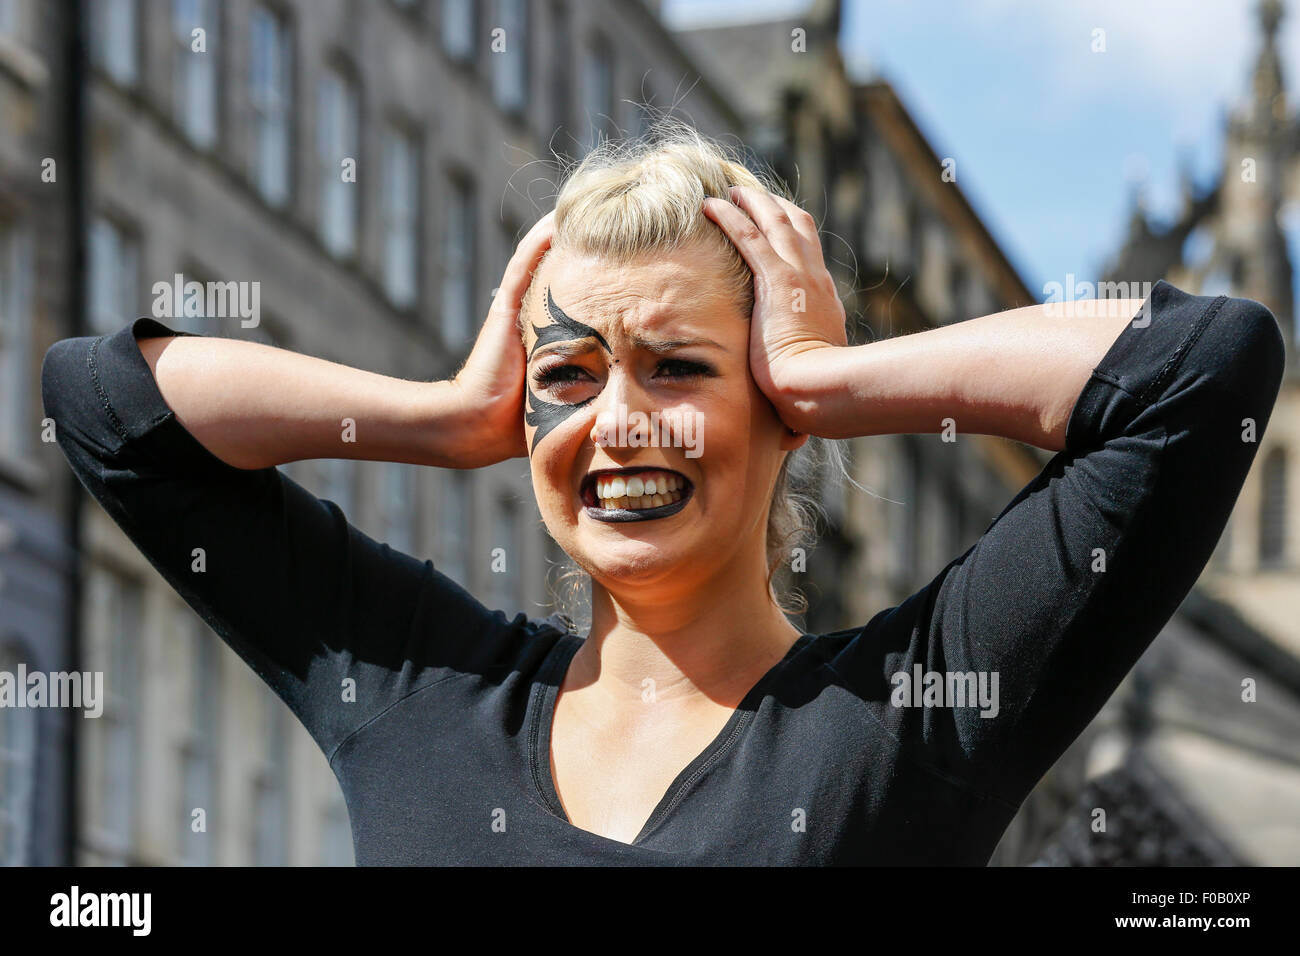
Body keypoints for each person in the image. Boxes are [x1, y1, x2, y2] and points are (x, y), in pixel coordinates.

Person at [41, 123, 1285, 864]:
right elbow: (105, 400)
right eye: (571, 372)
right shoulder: (419, 685)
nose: (620, 419)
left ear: (777, 416)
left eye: (680, 367)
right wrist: (449, 412)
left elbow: (1201, 367)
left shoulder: (902, 720)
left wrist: (827, 373)